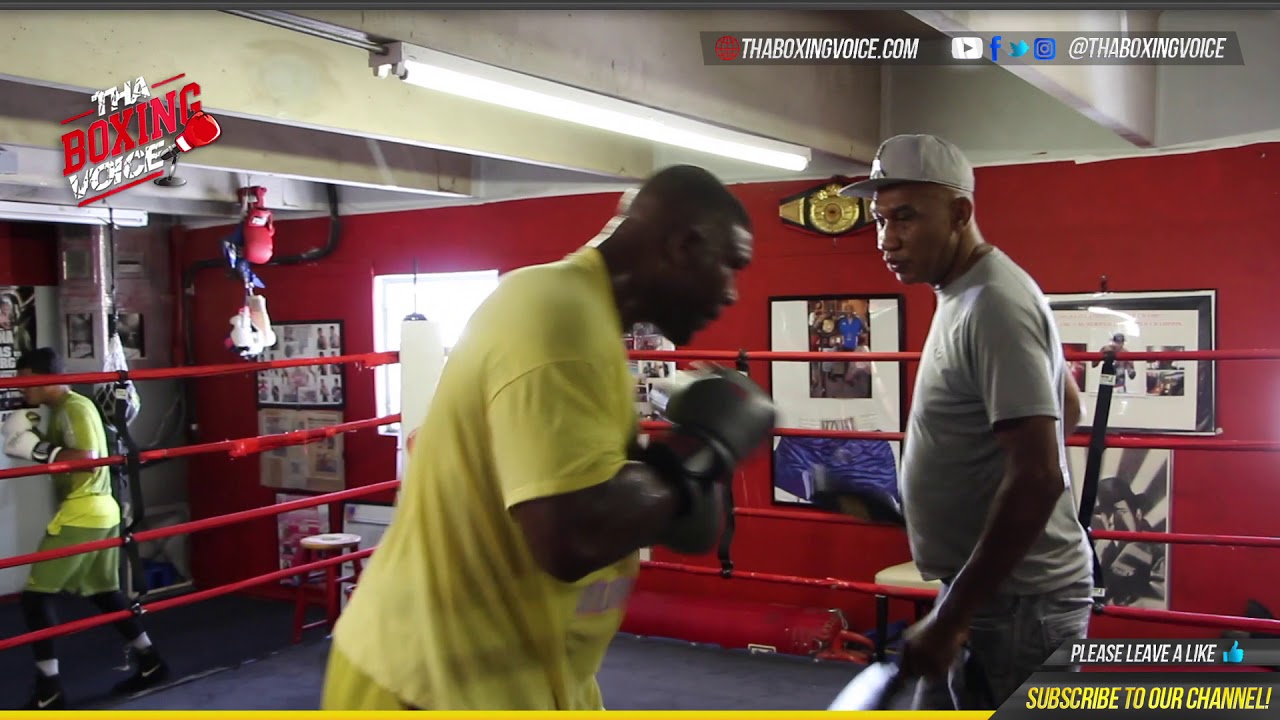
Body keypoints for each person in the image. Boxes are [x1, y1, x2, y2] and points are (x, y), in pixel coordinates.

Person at [322, 165, 777, 710]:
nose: (731, 294)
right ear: (682, 246)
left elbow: (642, 511)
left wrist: (686, 463)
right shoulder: (556, 313)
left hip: (527, 673)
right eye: (729, 266)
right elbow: (572, 538)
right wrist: (703, 449)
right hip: (431, 686)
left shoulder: (586, 318)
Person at [840, 135, 1092, 709]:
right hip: (986, 594)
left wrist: (952, 617)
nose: (887, 239)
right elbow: (1067, 406)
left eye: (905, 218)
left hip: (1018, 605)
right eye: (880, 220)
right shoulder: (962, 292)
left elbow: (1039, 477)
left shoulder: (994, 304)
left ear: (959, 213)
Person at [3, 348, 169, 710]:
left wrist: (36, 449)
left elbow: (87, 460)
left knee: (35, 596)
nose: (20, 387)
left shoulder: (75, 407)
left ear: (39, 375)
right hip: (98, 510)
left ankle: (49, 688)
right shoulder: (62, 410)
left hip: (84, 511)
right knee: (104, 592)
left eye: (23, 378)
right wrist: (38, 444)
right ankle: (150, 661)